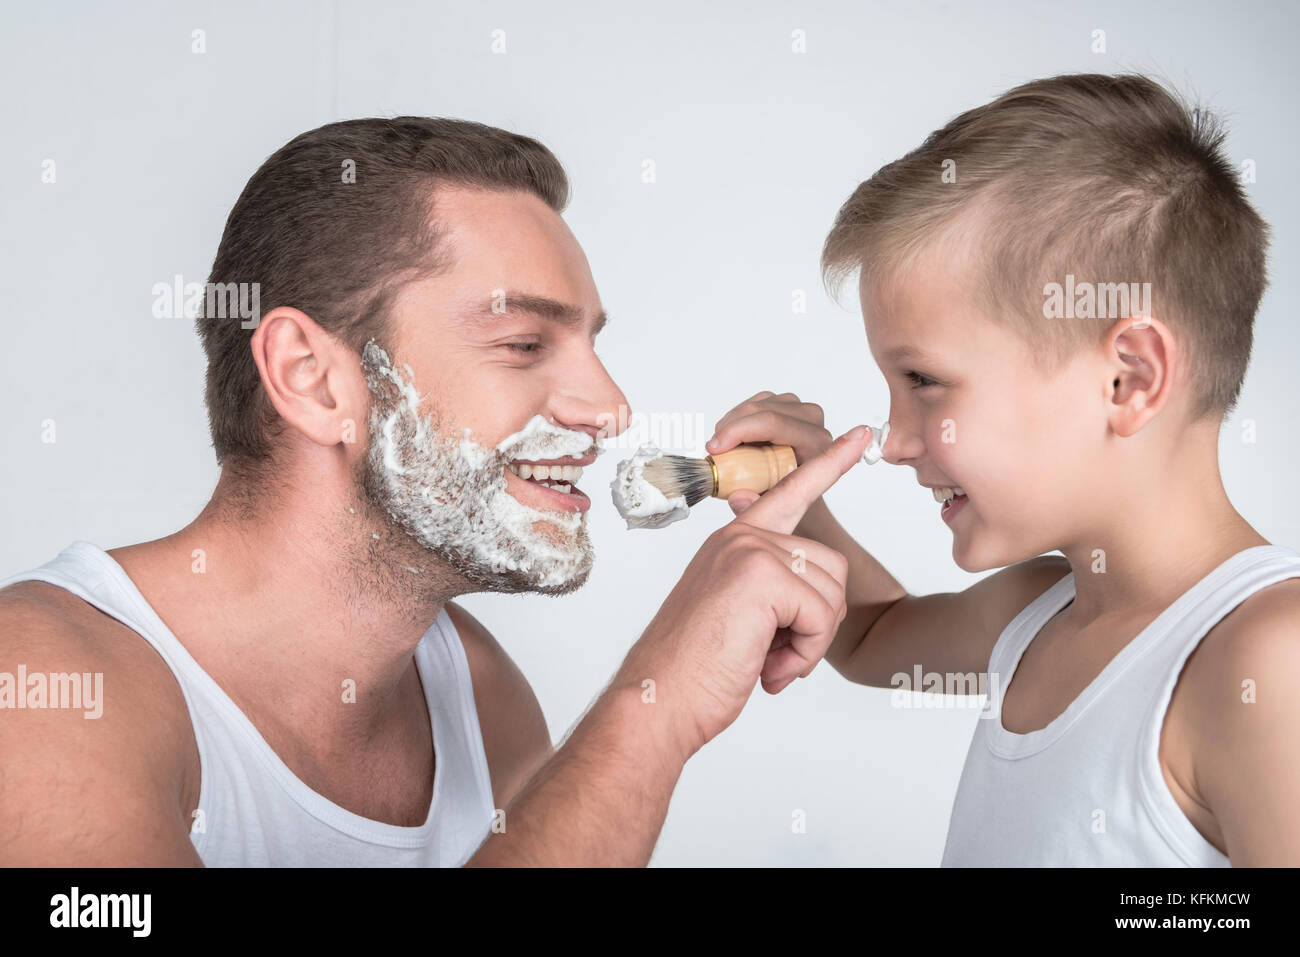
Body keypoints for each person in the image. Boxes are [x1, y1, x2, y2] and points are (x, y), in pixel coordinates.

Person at [0, 117, 868, 866]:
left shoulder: (481, 699)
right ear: (312, 379)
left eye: (590, 346)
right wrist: (657, 704)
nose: (610, 409)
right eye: (525, 343)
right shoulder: (47, 684)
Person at [705, 73, 1300, 865]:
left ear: (1129, 379)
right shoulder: (1034, 616)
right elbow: (870, 634)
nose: (895, 441)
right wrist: (797, 500)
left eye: (923, 382)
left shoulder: (1266, 660)